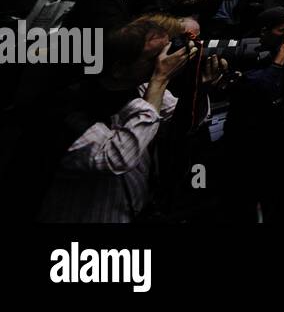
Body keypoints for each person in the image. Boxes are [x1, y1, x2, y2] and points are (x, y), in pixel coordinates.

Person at [38, 18, 193, 222]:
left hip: (132, 210)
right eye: (153, 58)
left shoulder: (140, 87)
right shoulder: (68, 107)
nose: (161, 62)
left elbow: (182, 119)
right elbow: (115, 157)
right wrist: (159, 79)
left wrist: (198, 84)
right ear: (119, 68)